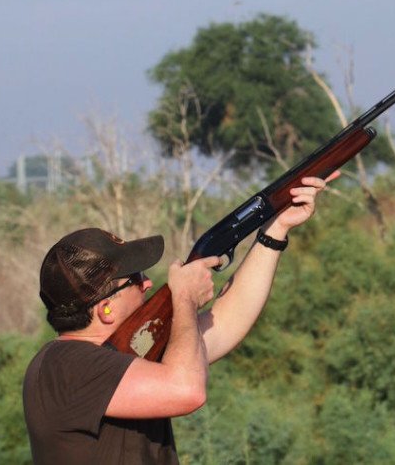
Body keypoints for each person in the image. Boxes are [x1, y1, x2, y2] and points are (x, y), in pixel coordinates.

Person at [22, 173, 336, 464]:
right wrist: (183, 300)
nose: (148, 284)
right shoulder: (65, 365)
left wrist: (275, 231)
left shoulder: (127, 351)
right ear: (105, 309)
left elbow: (225, 324)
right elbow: (188, 390)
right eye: (136, 279)